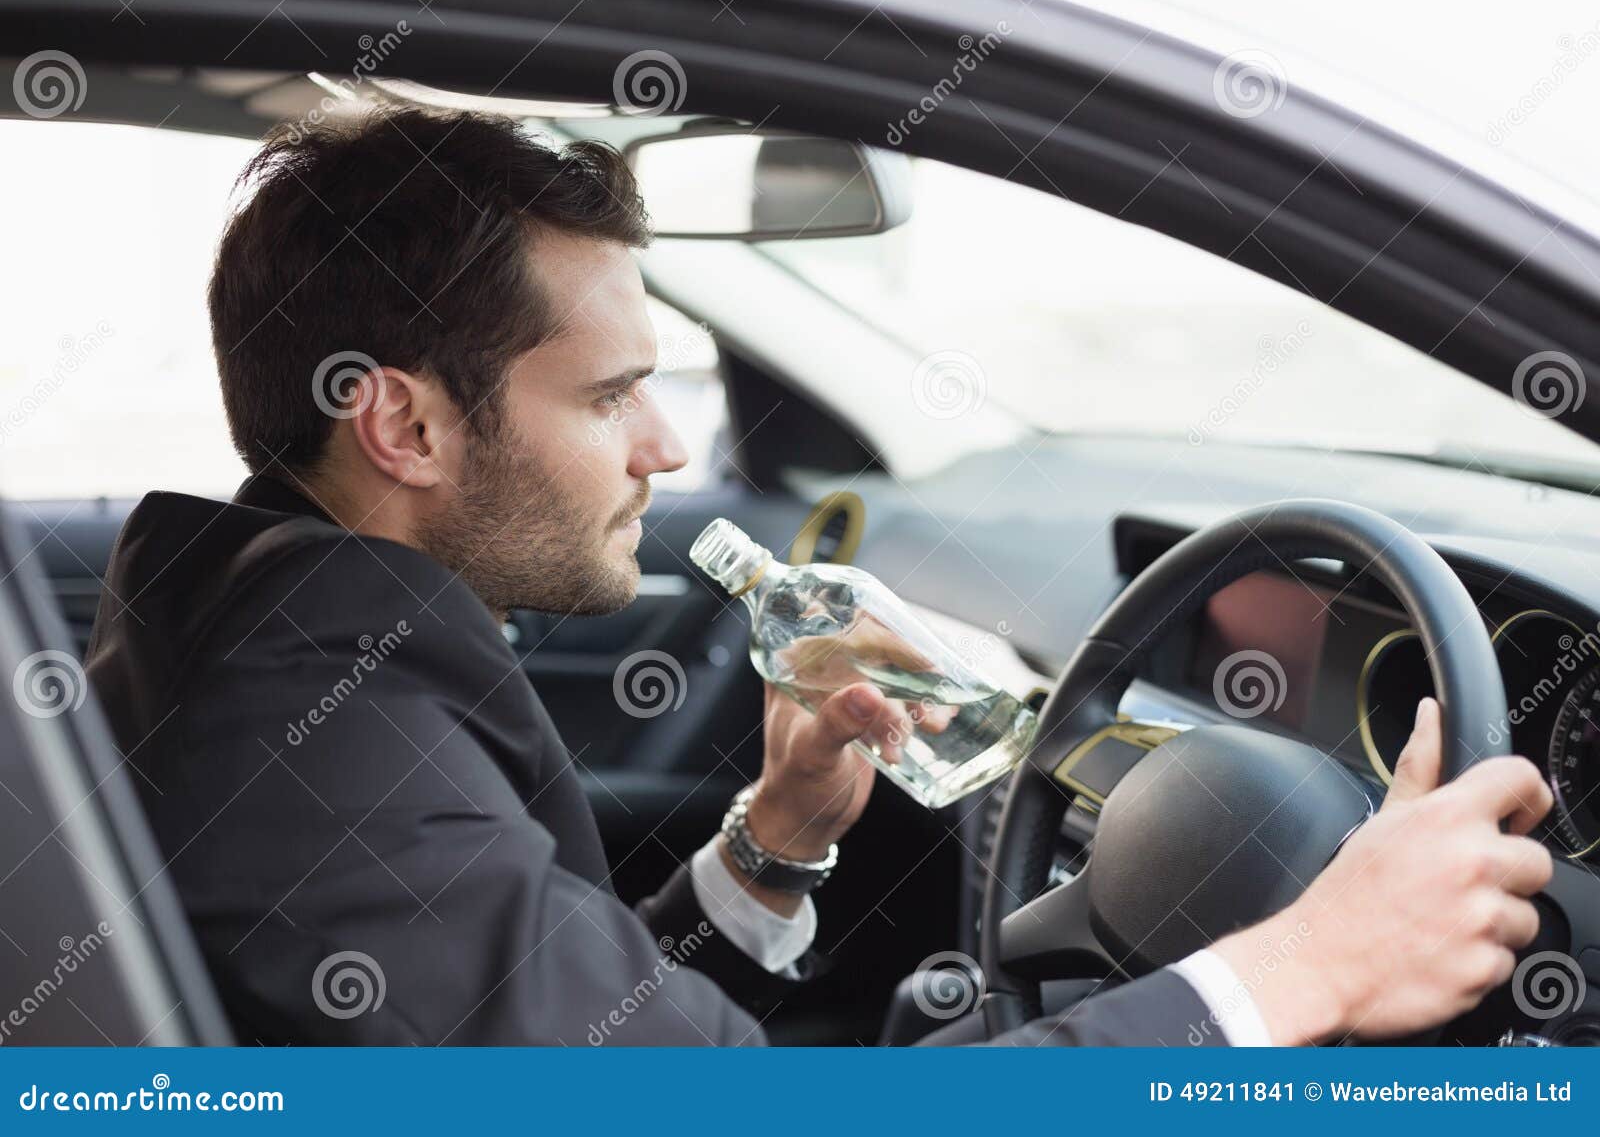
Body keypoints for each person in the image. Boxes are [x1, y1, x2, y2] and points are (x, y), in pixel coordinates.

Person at [85, 106, 1553, 1046]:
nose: (665, 444)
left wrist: (770, 845)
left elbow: (558, 1027)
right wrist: (1314, 963)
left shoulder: (273, 630)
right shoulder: (315, 741)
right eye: (608, 397)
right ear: (402, 421)